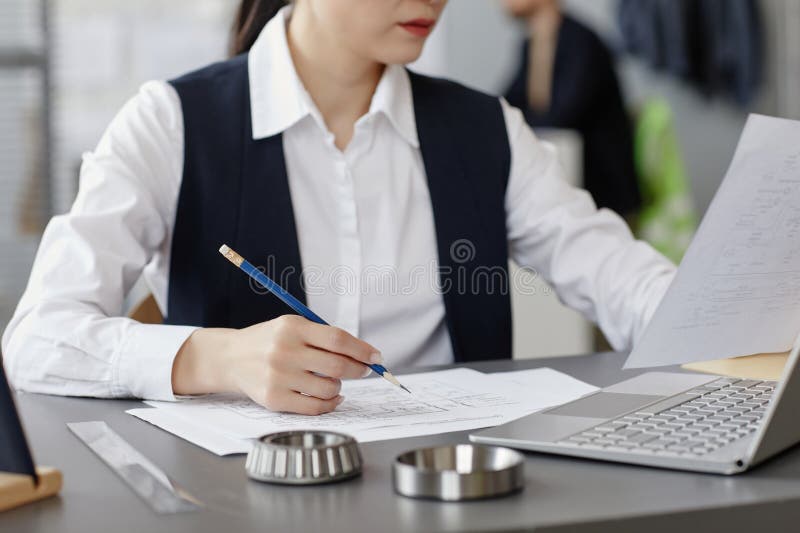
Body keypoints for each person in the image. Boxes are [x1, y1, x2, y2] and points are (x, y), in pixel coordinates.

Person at [1, 0, 675, 416]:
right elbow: (36, 338)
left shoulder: (490, 131)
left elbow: (623, 278)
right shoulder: (171, 124)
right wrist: (221, 359)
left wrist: (738, 320)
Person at [502, 0, 641, 218]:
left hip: (601, 198)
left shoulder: (582, 42)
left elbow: (561, 115)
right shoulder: (532, 44)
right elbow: (508, 105)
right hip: (566, 186)